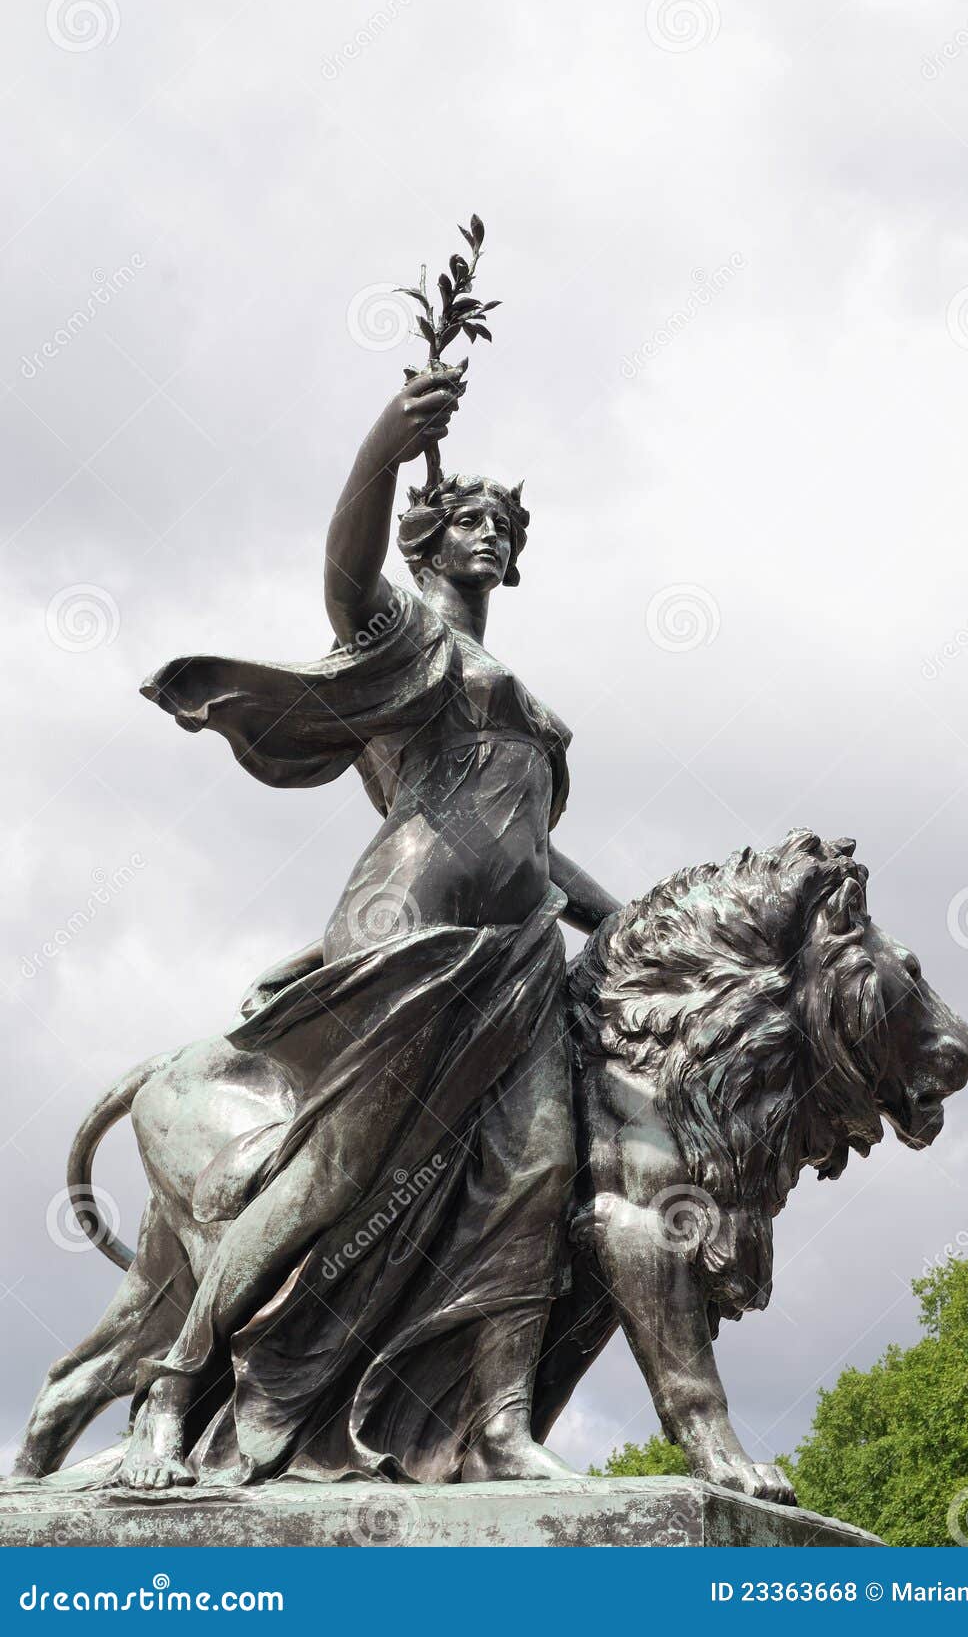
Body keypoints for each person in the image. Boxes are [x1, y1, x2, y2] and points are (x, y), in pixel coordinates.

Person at [118, 368, 620, 1488]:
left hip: (517, 952)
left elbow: (532, 846)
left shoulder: (507, 681)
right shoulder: (407, 643)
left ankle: (496, 1426)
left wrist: (620, 920)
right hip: (408, 935)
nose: (490, 534)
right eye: (470, 520)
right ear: (428, 542)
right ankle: (168, 1389)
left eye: (505, 524)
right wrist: (381, 449)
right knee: (330, 1176)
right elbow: (344, 574)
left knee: (535, 1168)